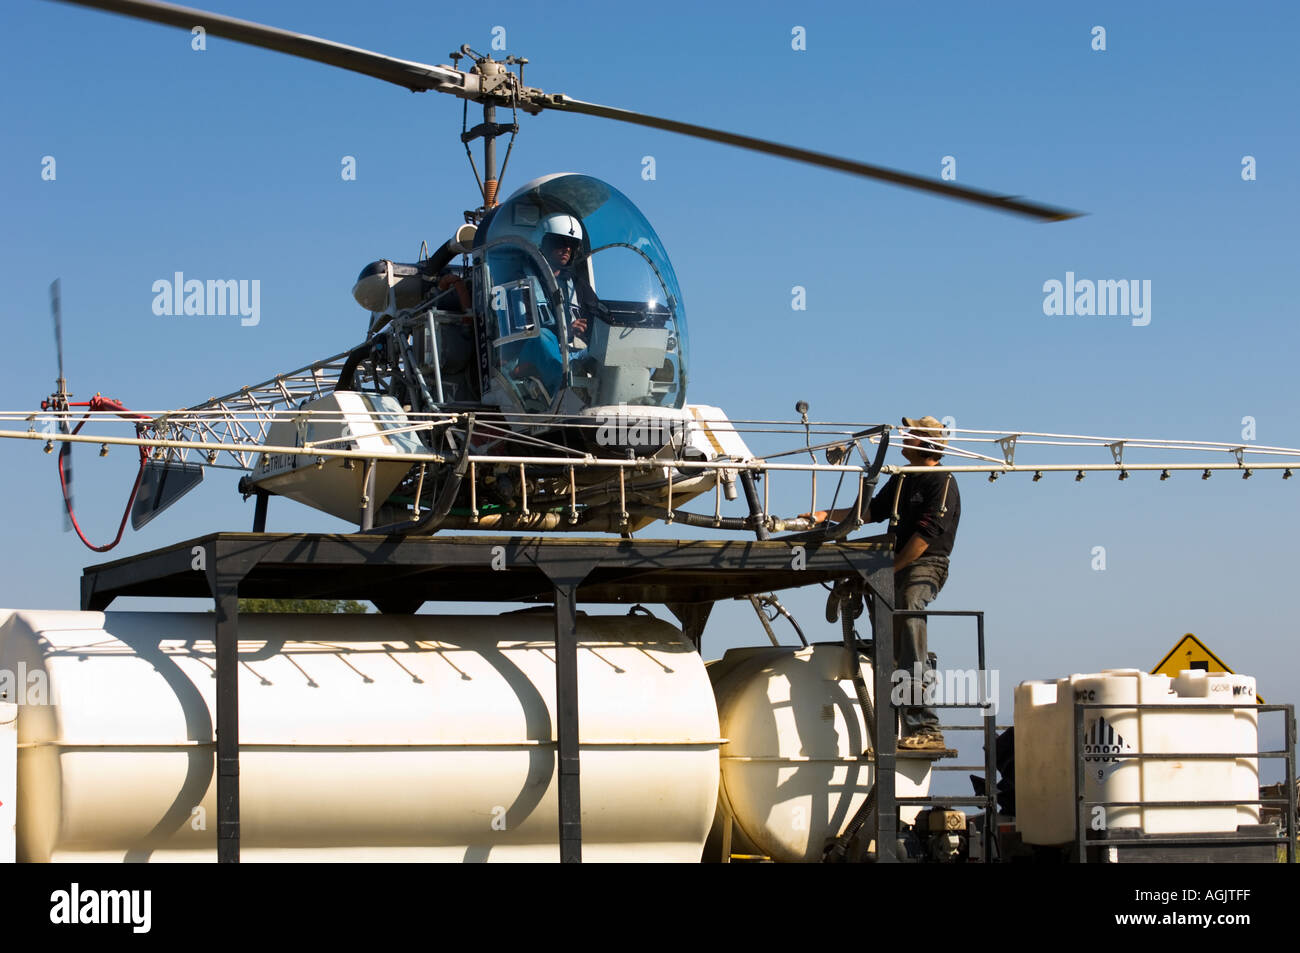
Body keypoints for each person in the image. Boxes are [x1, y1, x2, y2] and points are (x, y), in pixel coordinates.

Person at [813, 415, 961, 752]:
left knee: (908, 611)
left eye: (911, 435)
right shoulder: (905, 479)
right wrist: (825, 515)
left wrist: (891, 567)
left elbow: (925, 538)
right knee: (891, 642)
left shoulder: (941, 482)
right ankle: (899, 722)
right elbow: (868, 511)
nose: (904, 439)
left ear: (926, 444)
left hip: (926, 564)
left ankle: (926, 727)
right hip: (895, 564)